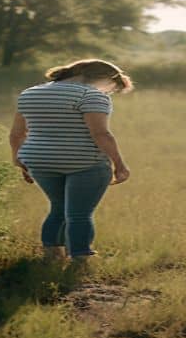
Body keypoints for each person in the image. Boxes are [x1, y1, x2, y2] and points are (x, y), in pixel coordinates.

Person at [9, 59, 133, 262]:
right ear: (105, 79)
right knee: (79, 214)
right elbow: (101, 134)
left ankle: (52, 255)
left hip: (39, 160)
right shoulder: (91, 95)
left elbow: (17, 134)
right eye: (111, 89)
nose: (108, 94)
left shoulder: (30, 93)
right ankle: (80, 258)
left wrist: (19, 161)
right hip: (84, 162)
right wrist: (120, 165)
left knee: (58, 207)